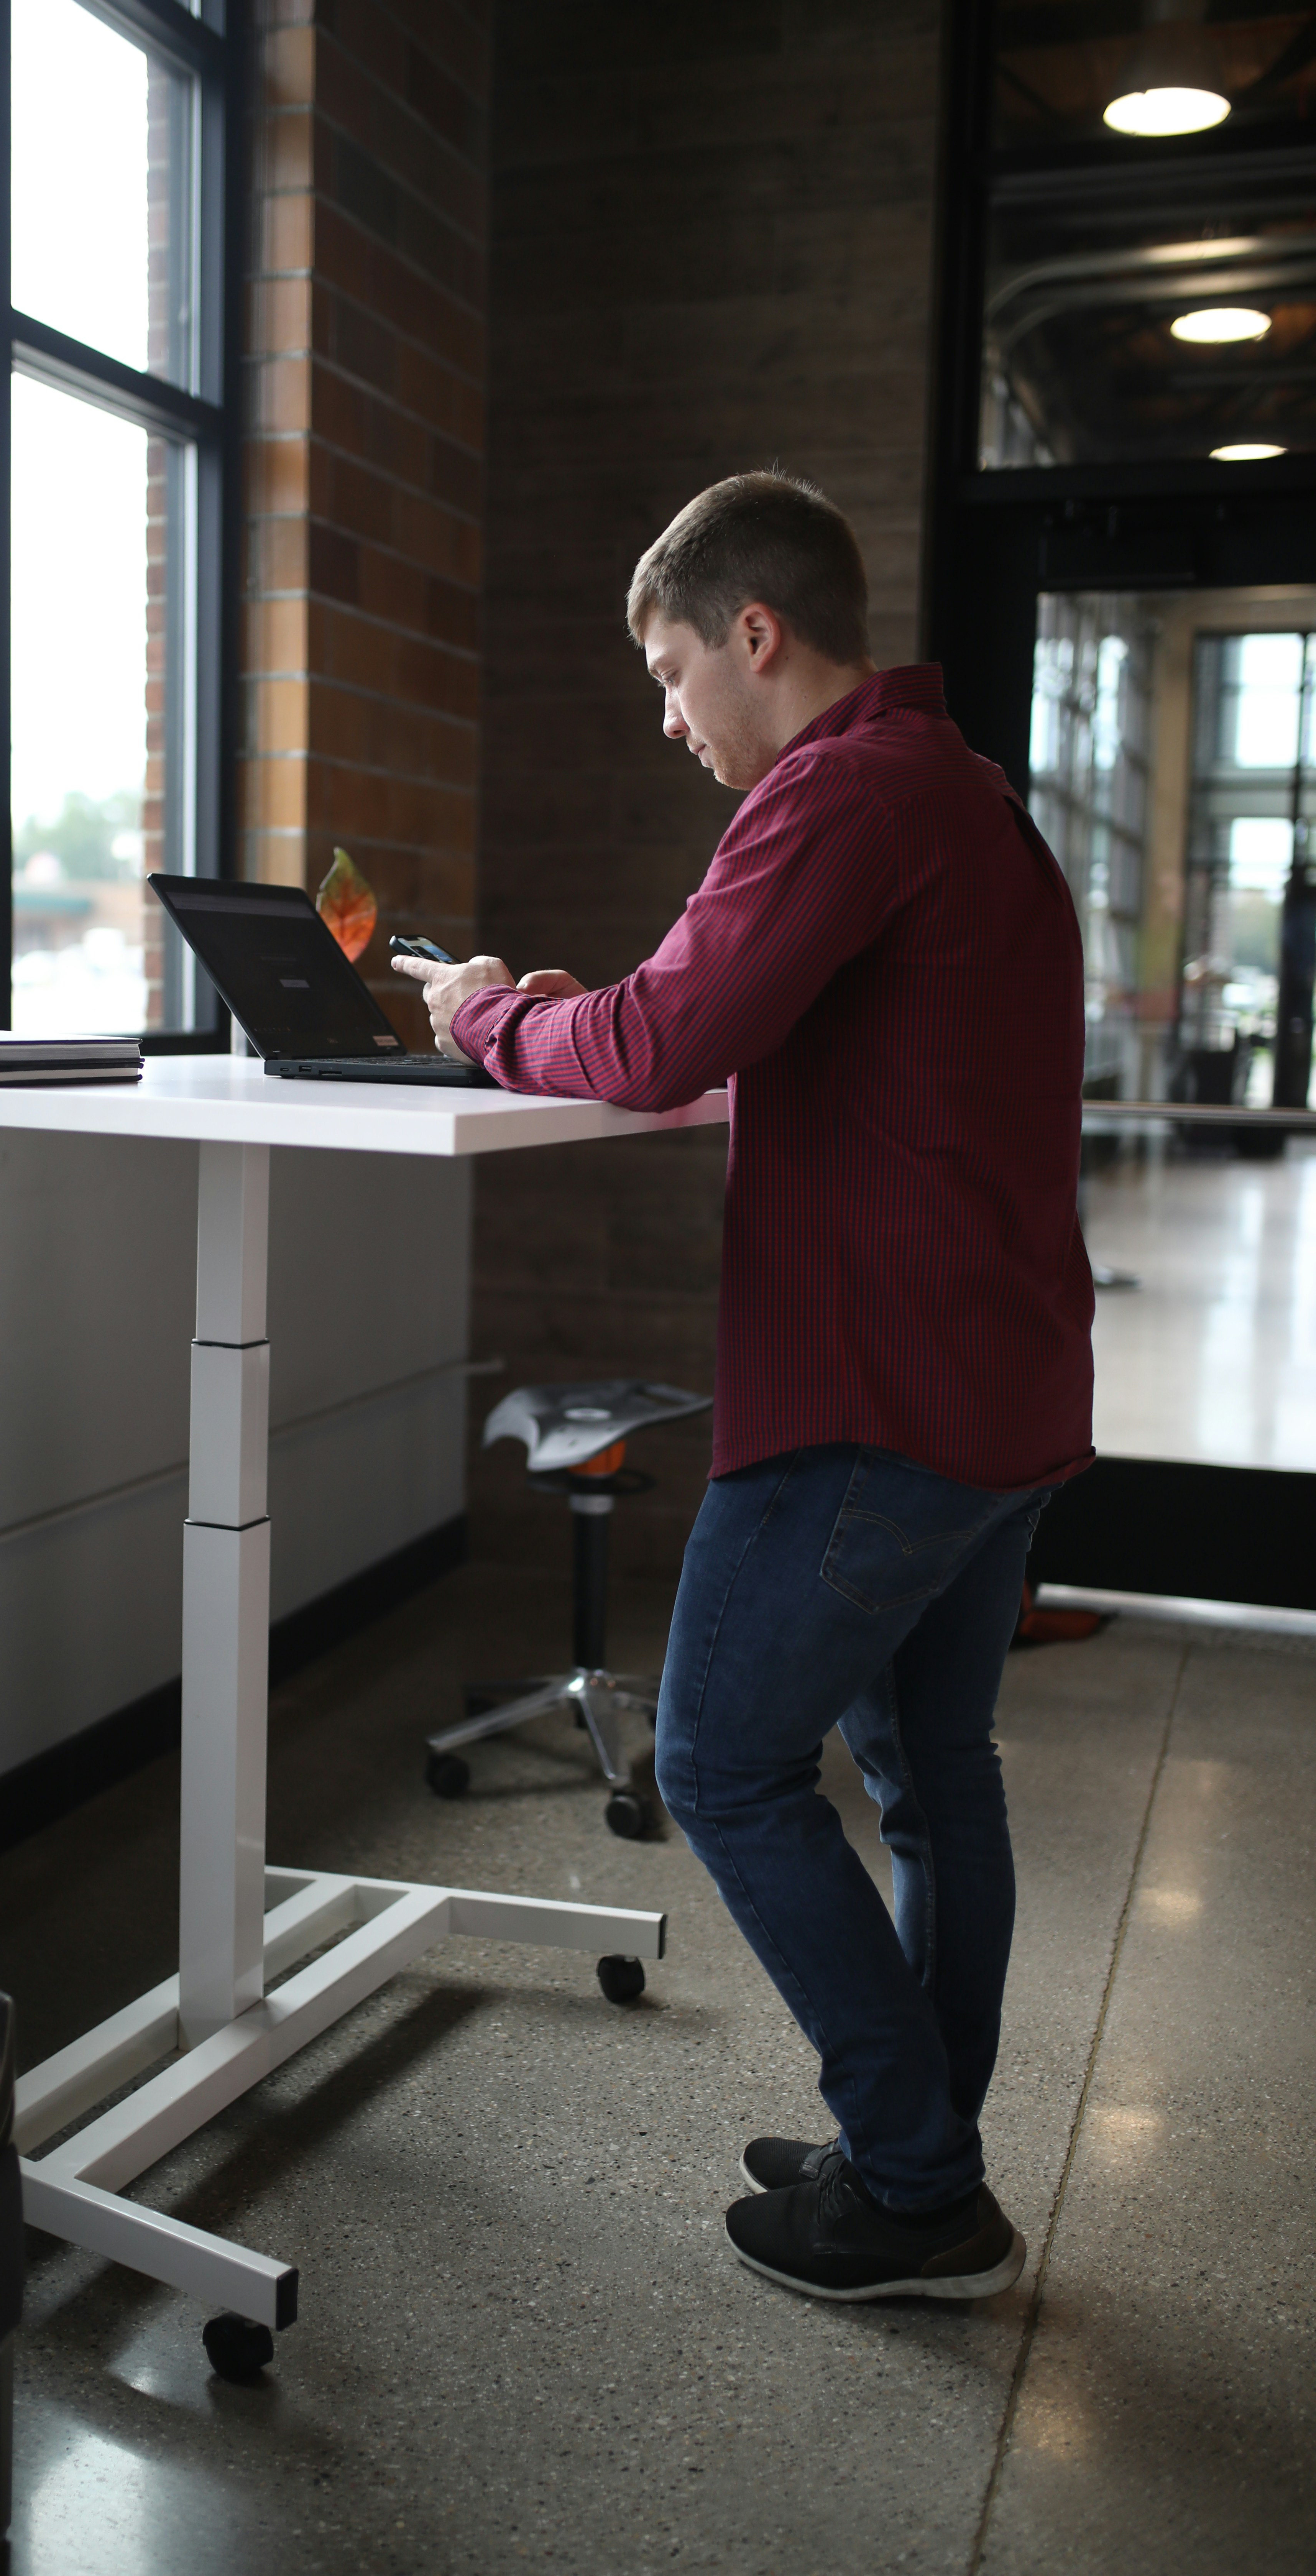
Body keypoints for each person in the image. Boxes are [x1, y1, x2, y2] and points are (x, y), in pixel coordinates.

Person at [393, 470, 1094, 2304]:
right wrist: (601, 1013)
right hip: (997, 1383)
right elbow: (772, 1051)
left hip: (878, 1393)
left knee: (715, 1759)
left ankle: (917, 2185)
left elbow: (652, 1044)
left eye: (667, 667)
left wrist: (484, 1013)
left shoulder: (835, 790)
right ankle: (912, 2145)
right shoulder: (962, 798)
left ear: (753, 636)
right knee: (934, 1774)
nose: (666, 712)